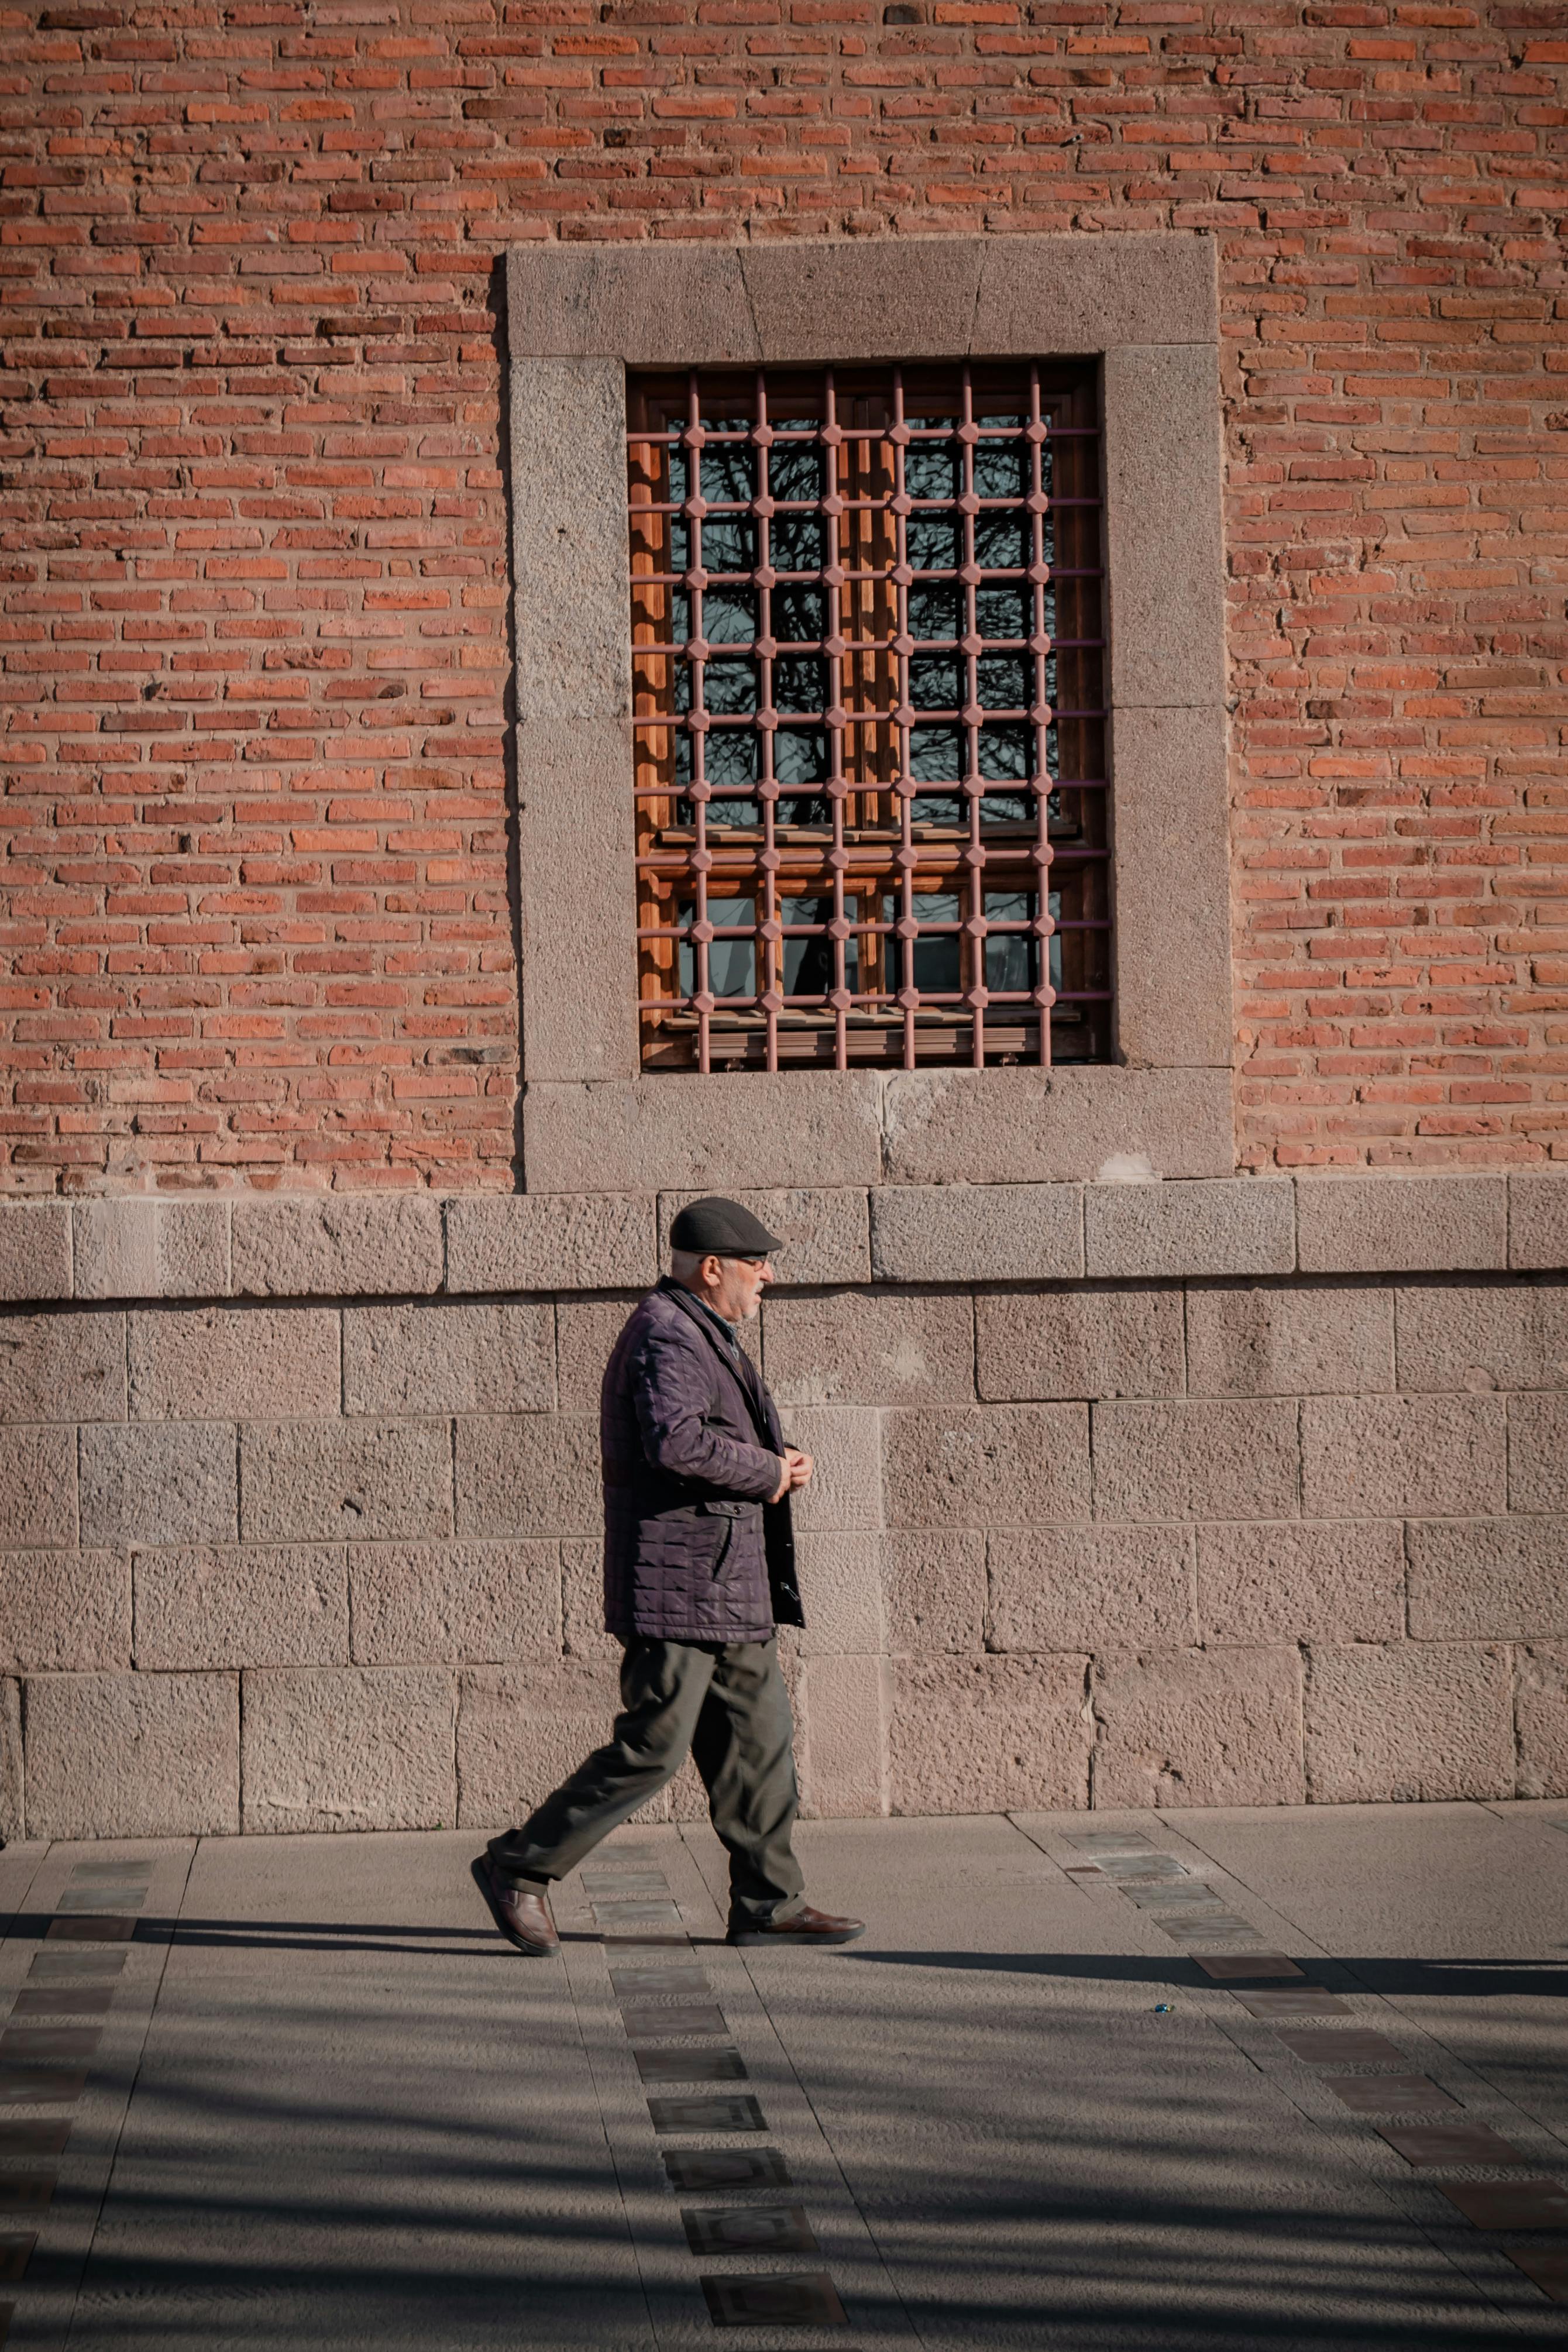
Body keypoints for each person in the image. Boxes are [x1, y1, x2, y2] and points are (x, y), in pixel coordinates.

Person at [472, 1196, 865, 1957]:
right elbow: (676, 1443)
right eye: (757, 1263)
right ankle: (517, 1867)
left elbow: (709, 1437)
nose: (768, 1276)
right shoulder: (667, 1333)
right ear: (712, 1268)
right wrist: (769, 1472)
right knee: (652, 1747)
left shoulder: (702, 1331)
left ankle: (768, 1904)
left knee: (760, 1748)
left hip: (728, 1589)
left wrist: (777, 1462)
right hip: (679, 1590)